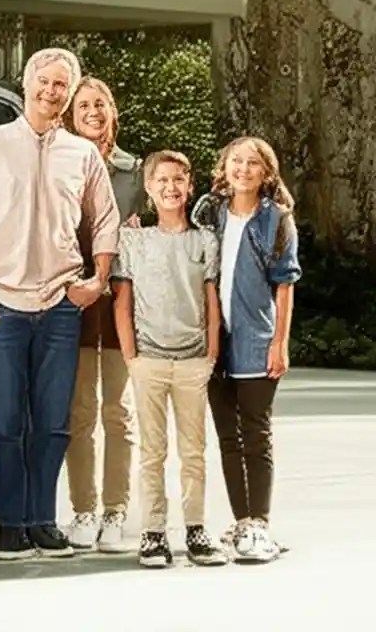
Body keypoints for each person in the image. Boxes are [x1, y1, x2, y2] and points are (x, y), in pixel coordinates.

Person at [0, 48, 121, 561]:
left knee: (52, 420)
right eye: (44, 82)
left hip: (61, 304)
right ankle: (9, 523)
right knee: (3, 420)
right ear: (26, 85)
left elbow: (105, 219)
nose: (52, 92)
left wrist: (98, 279)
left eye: (61, 85)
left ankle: (43, 520)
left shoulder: (82, 155)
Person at [110, 150, 227, 568]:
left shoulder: (204, 240)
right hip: (149, 361)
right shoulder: (134, 240)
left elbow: (211, 298)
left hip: (194, 360)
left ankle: (195, 528)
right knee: (152, 451)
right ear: (148, 187)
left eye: (178, 180)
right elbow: (122, 302)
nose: (170, 188)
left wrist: (211, 353)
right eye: (161, 180)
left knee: (193, 450)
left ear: (189, 185)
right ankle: (153, 532)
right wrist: (131, 356)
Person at [199, 136, 301, 563]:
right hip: (213, 343)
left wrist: (279, 343)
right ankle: (241, 522)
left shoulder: (276, 220)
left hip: (256, 340)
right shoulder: (209, 213)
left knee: (255, 434)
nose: (243, 169)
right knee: (227, 437)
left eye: (252, 163)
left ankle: (259, 523)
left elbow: (284, 286)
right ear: (224, 167)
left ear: (266, 173)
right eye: (235, 161)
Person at [61, 76, 145, 553]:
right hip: (73, 298)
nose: (92, 112)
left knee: (118, 410)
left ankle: (116, 511)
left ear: (113, 111)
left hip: (120, 301)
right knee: (79, 411)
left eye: (100, 104)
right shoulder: (58, 163)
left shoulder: (134, 171)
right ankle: (84, 510)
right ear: (71, 116)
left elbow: (156, 232)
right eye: (83, 105)